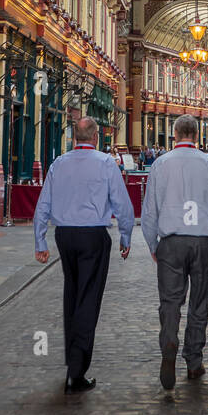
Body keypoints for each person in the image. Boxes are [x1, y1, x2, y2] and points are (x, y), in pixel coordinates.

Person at [33, 116, 134, 393]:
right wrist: (126, 236)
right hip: (92, 237)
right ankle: (76, 372)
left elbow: (44, 205)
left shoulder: (58, 164)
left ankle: (72, 364)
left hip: (65, 236)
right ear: (96, 137)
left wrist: (40, 241)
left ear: (75, 137)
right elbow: (122, 204)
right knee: (88, 299)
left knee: (72, 294)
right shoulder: (105, 163)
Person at [141, 114, 208, 389]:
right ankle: (194, 361)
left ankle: (169, 343)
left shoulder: (159, 165)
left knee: (170, 302)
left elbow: (149, 211)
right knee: (199, 302)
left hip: (172, 242)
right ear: (196, 136)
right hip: (204, 243)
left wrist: (153, 244)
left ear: (175, 135)